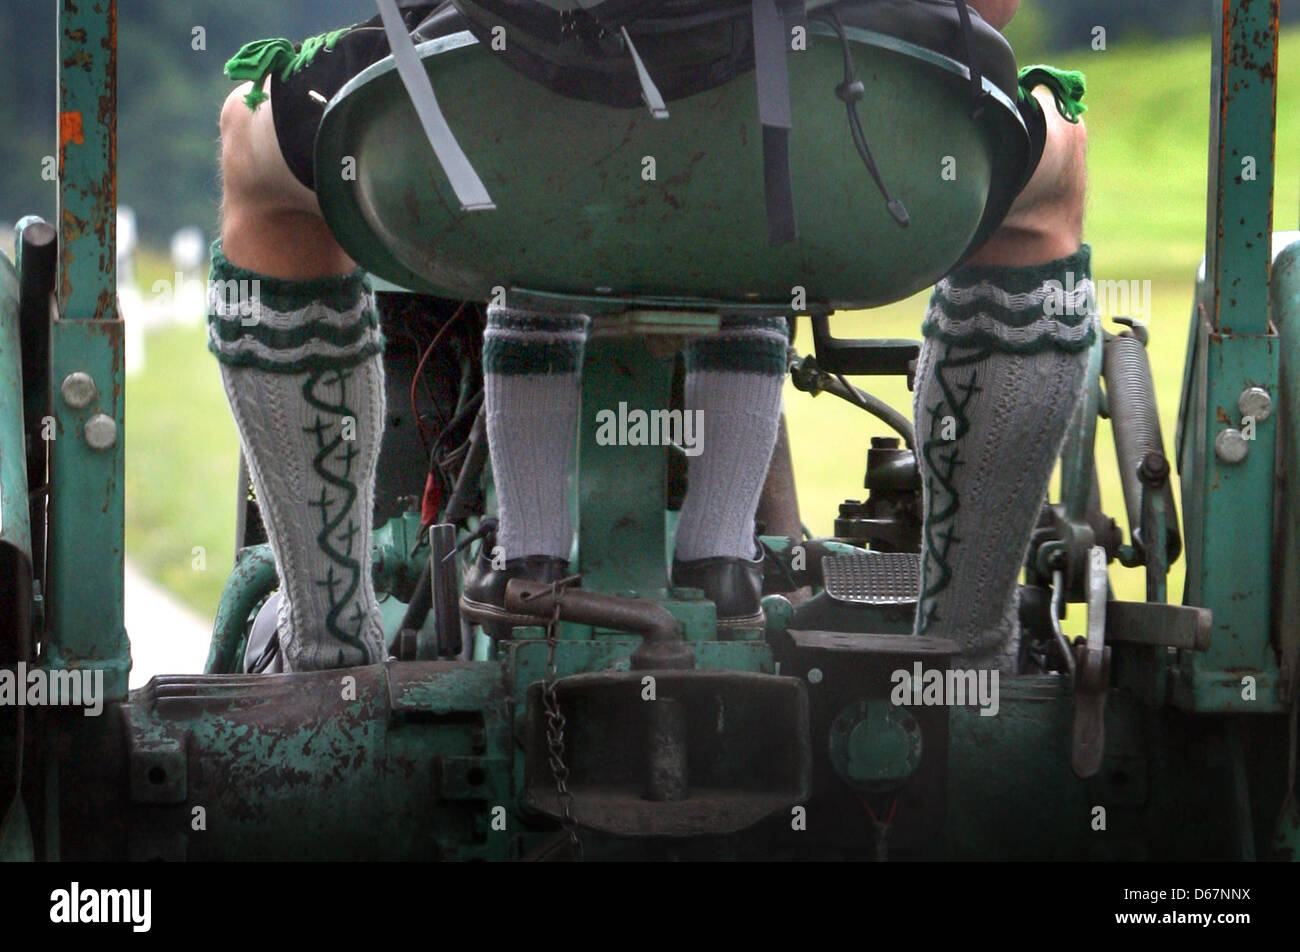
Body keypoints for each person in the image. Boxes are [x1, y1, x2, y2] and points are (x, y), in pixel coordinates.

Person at [210, 0, 1090, 673]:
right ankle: (963, 647)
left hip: (494, 133)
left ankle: (338, 639)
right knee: (1045, 189)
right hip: (813, 141)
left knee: (254, 155)